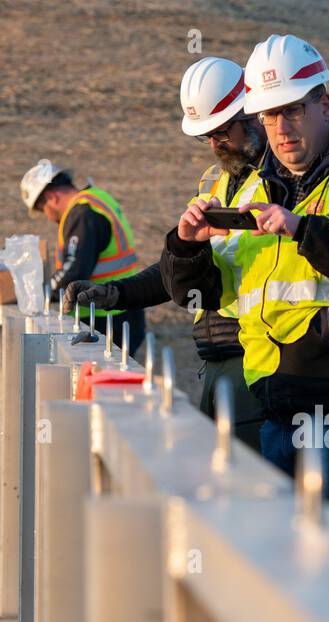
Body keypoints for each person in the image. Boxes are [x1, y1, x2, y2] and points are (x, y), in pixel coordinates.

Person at [160, 34, 329, 532]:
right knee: (287, 575)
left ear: (324, 106)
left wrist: (302, 228)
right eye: (269, 115)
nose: (281, 129)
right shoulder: (258, 189)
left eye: (293, 110)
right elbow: (205, 294)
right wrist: (186, 245)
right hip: (277, 406)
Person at [65, 56, 266, 451]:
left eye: (222, 131)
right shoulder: (216, 182)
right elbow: (178, 271)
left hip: (256, 360)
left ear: (252, 112)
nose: (214, 145)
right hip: (214, 358)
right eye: (204, 135)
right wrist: (118, 294)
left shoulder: (282, 183)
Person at [20, 159, 145, 355]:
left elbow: (74, 269)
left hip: (106, 319)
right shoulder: (97, 199)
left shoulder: (82, 215)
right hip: (120, 310)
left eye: (42, 209)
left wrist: (44, 292)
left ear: (52, 197)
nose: (47, 216)